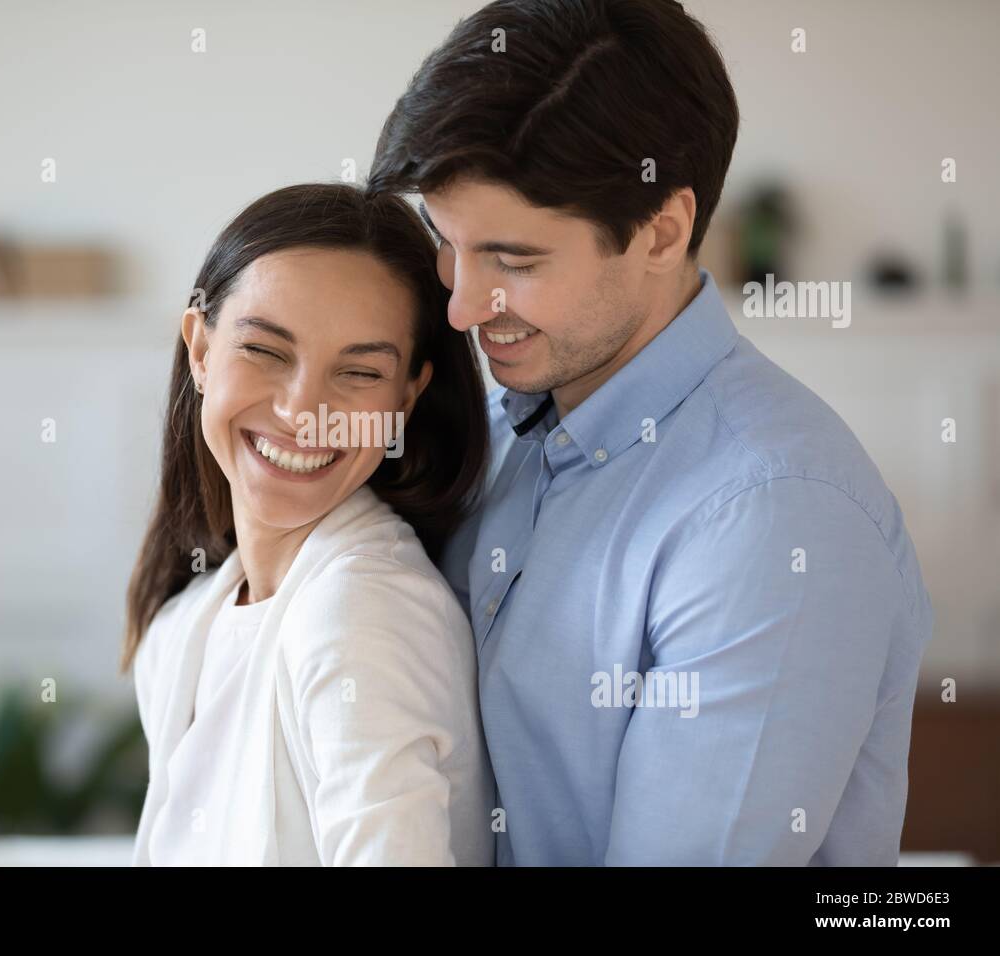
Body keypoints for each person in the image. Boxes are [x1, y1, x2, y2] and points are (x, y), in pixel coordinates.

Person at [366, 0, 933, 865]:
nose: (461, 304)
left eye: (514, 262)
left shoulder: (775, 519)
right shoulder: (500, 430)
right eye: (449, 245)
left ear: (661, 230)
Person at [122, 183, 496, 865]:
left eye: (358, 371)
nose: (303, 410)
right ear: (201, 350)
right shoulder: (185, 626)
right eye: (265, 351)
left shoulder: (360, 613)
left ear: (405, 399)